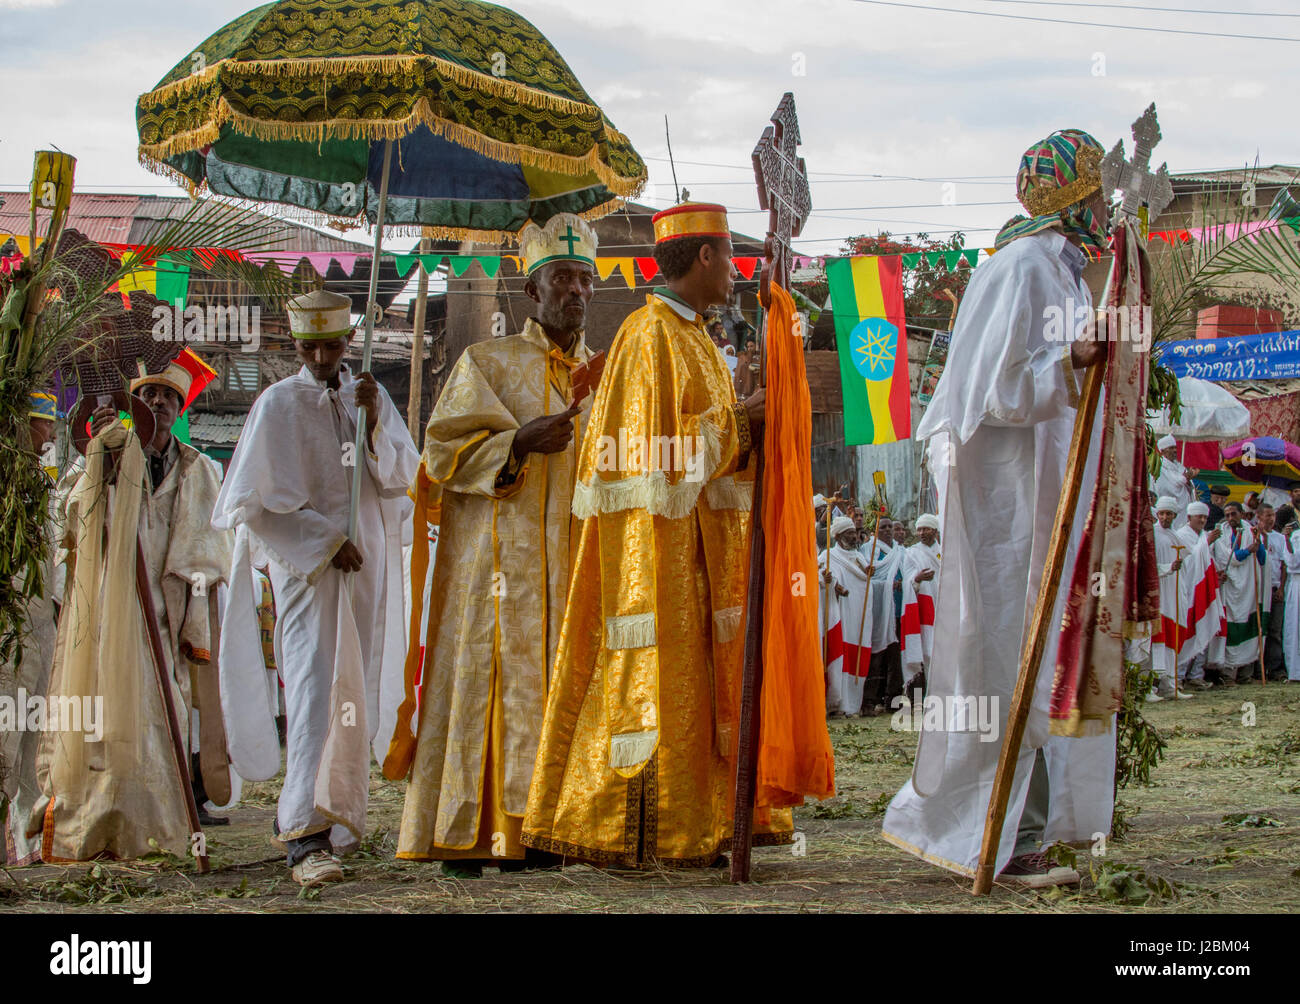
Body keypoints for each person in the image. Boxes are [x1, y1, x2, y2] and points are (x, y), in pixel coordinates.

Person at [521, 202, 792, 867]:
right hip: (657, 558)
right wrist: (742, 422)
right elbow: (655, 459)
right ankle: (655, 832)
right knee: (658, 690)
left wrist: (744, 429)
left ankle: (705, 821)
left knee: (703, 692)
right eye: (730, 257)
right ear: (703, 258)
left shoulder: (696, 335)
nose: (735, 270)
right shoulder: (649, 336)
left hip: (702, 551)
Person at [882, 128, 1113, 887]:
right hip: (1005, 505)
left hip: (1046, 498)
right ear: (1072, 192)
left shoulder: (1066, 270)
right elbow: (988, 394)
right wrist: (1071, 361)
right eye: (1098, 186)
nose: (1108, 201)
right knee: (1010, 659)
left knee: (1046, 655)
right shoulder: (1021, 267)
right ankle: (999, 839)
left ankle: (1037, 827)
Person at [393, 214, 600, 875]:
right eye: (561, 278)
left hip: (571, 568)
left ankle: (548, 831)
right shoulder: (486, 361)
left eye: (584, 279)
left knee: (561, 689)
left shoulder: (605, 377)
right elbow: (442, 450)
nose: (576, 290)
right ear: (530, 292)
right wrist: (517, 441)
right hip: (496, 572)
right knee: (493, 691)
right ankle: (471, 831)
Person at [213, 289, 419, 887]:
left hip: (365, 571)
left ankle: (340, 817)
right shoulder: (277, 405)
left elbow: (403, 479)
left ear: (348, 342)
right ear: (296, 344)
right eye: (311, 346)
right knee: (312, 688)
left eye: (333, 344)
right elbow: (255, 504)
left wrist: (375, 425)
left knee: (353, 688)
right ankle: (303, 833)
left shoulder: (370, 398)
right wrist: (326, 539)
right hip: (311, 574)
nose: (323, 356)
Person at [35, 354, 234, 862]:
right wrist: (100, 458)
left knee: (165, 711)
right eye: (149, 395)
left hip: (169, 612)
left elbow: (214, 538)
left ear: (180, 406)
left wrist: (188, 579)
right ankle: (103, 815)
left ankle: (165, 815)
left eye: (169, 396)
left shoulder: (200, 467)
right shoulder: (103, 453)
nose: (159, 403)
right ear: (135, 405)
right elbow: (71, 520)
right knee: (112, 709)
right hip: (113, 612)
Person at [1, 393, 61, 865]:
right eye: (44, 426)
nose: (52, 438)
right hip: (8, 629)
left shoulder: (44, 485)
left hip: (41, 625)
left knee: (34, 735)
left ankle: (25, 831)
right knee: (5, 728)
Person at [1211, 501, 1269, 685]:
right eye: (1227, 515)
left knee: (1250, 626)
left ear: (1242, 513)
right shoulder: (1221, 532)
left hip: (1249, 586)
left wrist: (1258, 546)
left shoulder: (1252, 531)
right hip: (1230, 586)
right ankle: (1228, 674)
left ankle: (1246, 673)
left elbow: (1262, 559)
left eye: (1233, 514)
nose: (1230, 518)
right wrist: (1246, 551)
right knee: (1231, 628)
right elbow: (1225, 558)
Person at [820, 517, 873, 718]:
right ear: (839, 536)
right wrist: (833, 585)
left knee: (856, 657)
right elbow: (820, 576)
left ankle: (851, 704)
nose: (853, 536)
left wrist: (868, 573)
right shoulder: (828, 555)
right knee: (837, 657)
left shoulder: (860, 558)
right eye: (849, 533)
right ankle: (835, 702)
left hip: (858, 618)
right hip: (838, 615)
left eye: (853, 533)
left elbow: (864, 582)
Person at [1149, 497, 1194, 701]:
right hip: (1159, 592)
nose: (1165, 517)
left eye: (1169, 514)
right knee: (1155, 640)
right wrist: (1168, 569)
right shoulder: (1153, 535)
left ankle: (1170, 686)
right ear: (1157, 514)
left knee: (1172, 637)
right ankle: (1148, 687)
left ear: (1175, 515)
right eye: (1162, 513)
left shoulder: (1175, 536)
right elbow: (1148, 567)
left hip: (1174, 593)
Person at [1175, 501, 1221, 692]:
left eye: (1204, 517)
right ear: (1188, 518)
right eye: (1198, 517)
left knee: (1204, 626)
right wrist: (1207, 543)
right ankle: (1179, 675)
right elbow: (1189, 561)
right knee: (1187, 632)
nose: (1202, 520)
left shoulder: (1202, 535)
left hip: (1202, 590)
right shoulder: (1180, 536)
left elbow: (1208, 560)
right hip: (1187, 589)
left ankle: (1196, 675)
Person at [901, 513, 940, 687]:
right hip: (925, 608)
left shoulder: (945, 551)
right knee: (930, 652)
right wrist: (917, 578)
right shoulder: (912, 553)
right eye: (919, 529)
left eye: (926, 529)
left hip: (945, 606)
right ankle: (932, 692)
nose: (922, 532)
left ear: (935, 530)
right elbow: (907, 581)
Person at [1255, 503, 1288, 682]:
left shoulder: (1280, 538)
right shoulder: (1252, 535)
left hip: (1275, 588)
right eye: (1267, 515)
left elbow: (1283, 564)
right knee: (1259, 628)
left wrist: (1281, 588)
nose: (1271, 518)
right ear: (1258, 516)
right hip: (1259, 590)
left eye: (1272, 515)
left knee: (1275, 630)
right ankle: (1256, 668)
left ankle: (1274, 668)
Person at [1151, 435, 1197, 528]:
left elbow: (1188, 488)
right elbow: (1164, 488)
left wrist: (1188, 480)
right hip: (1167, 511)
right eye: (1171, 448)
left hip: (1183, 511)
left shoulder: (1180, 467)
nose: (1175, 450)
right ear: (1162, 451)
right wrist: (1184, 479)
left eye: (1175, 448)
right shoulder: (1158, 468)